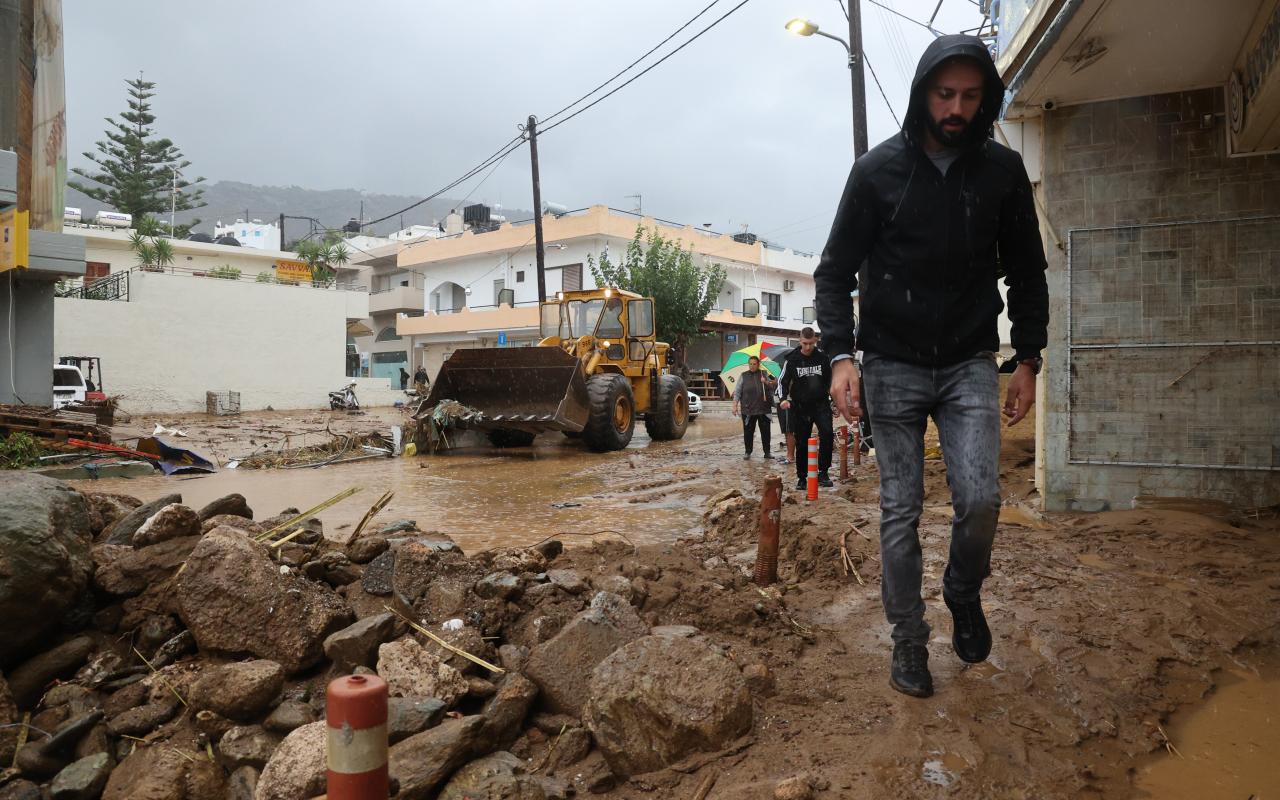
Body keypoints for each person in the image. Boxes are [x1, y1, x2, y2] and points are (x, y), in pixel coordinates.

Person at [814, 36, 1049, 698]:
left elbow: (1029, 274)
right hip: (890, 363)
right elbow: (833, 275)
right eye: (944, 95)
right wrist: (839, 358)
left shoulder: (1002, 175)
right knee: (901, 509)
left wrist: (1027, 358)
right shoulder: (876, 173)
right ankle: (909, 641)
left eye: (971, 97)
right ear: (923, 94)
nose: (956, 108)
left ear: (986, 101)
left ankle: (962, 591)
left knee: (980, 498)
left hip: (971, 363)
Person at [776, 328, 834, 490]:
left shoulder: (823, 358)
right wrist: (783, 399)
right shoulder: (792, 359)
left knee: (827, 434)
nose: (808, 347)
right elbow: (782, 382)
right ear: (800, 341)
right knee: (802, 441)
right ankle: (802, 477)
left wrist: (834, 401)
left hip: (821, 404)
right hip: (800, 406)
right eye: (805, 344)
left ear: (815, 341)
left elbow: (831, 381)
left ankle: (823, 472)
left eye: (811, 343)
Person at [732, 355, 777, 460]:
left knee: (766, 432)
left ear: (759, 364)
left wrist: (766, 382)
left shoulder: (765, 374)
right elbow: (737, 392)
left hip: (764, 409)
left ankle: (767, 452)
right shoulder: (743, 376)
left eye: (754, 364)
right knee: (748, 432)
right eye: (750, 364)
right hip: (748, 409)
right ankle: (748, 452)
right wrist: (734, 405)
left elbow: (775, 386)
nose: (752, 366)